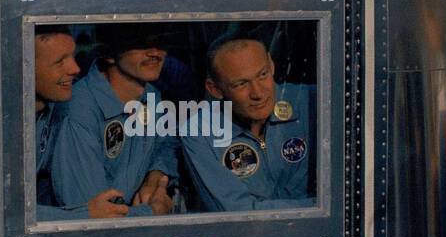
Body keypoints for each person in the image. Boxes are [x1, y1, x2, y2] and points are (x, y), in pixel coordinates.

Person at [51, 23, 178, 217]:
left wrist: (155, 178)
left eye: (161, 43)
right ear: (109, 54)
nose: (155, 53)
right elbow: (91, 214)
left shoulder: (151, 95)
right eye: (142, 44)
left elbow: (165, 145)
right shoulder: (79, 110)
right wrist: (154, 211)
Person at [180, 36, 315, 211]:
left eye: (263, 74)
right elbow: (237, 212)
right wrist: (314, 205)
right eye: (241, 84)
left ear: (271, 65)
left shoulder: (312, 102)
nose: (258, 93)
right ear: (215, 89)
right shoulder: (199, 132)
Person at [32, 27, 127, 220]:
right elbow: (1, 213)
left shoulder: (54, 113)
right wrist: (83, 214)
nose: (75, 69)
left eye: (72, 57)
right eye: (60, 61)